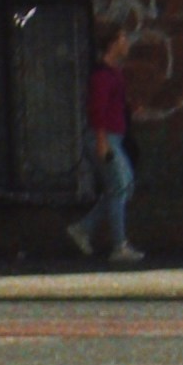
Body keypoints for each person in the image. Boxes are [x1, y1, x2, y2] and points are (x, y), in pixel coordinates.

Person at [70, 25, 142, 264]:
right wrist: (101, 142)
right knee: (120, 187)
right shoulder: (102, 76)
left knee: (122, 187)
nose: (126, 42)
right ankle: (118, 245)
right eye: (123, 38)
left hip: (115, 138)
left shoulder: (113, 73)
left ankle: (83, 228)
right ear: (113, 43)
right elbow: (97, 110)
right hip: (106, 139)